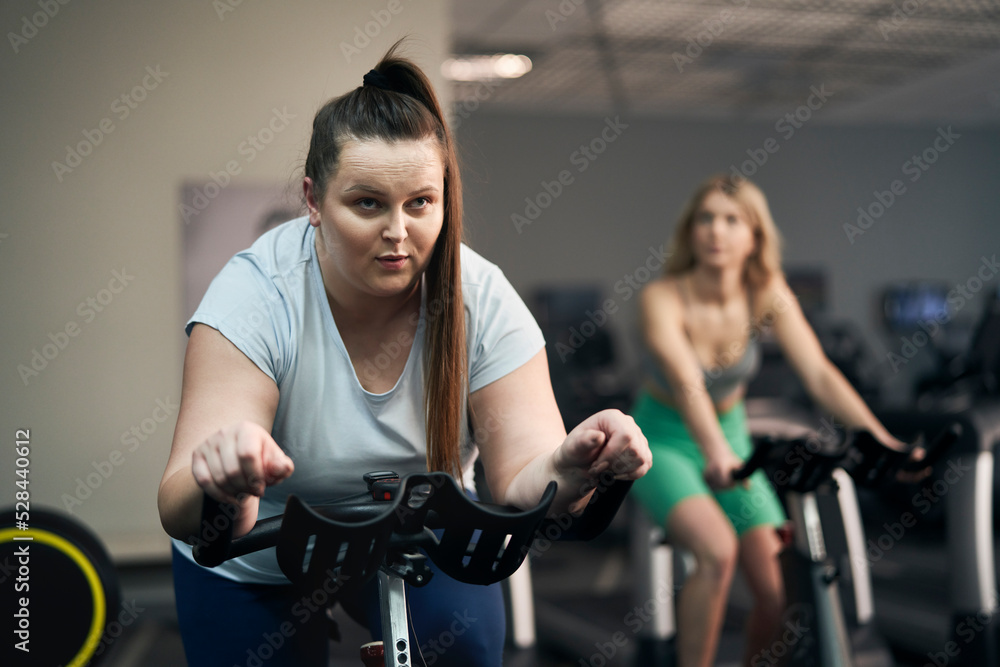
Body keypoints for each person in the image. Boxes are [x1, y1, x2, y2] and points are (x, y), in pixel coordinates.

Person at [156, 42, 650, 667]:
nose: (398, 232)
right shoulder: (256, 294)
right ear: (312, 200)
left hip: (417, 540)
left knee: (464, 652)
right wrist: (224, 486)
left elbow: (522, 478)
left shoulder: (481, 298)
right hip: (257, 556)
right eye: (367, 203)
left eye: (421, 202)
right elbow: (177, 502)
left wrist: (574, 465)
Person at [630, 174, 910, 667]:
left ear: (755, 237)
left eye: (732, 220)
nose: (717, 230)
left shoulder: (766, 294)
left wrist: (882, 441)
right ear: (691, 230)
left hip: (733, 437)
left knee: (778, 588)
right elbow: (688, 382)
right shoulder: (663, 297)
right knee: (717, 553)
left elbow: (820, 374)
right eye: (706, 218)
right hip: (664, 440)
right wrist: (715, 452)